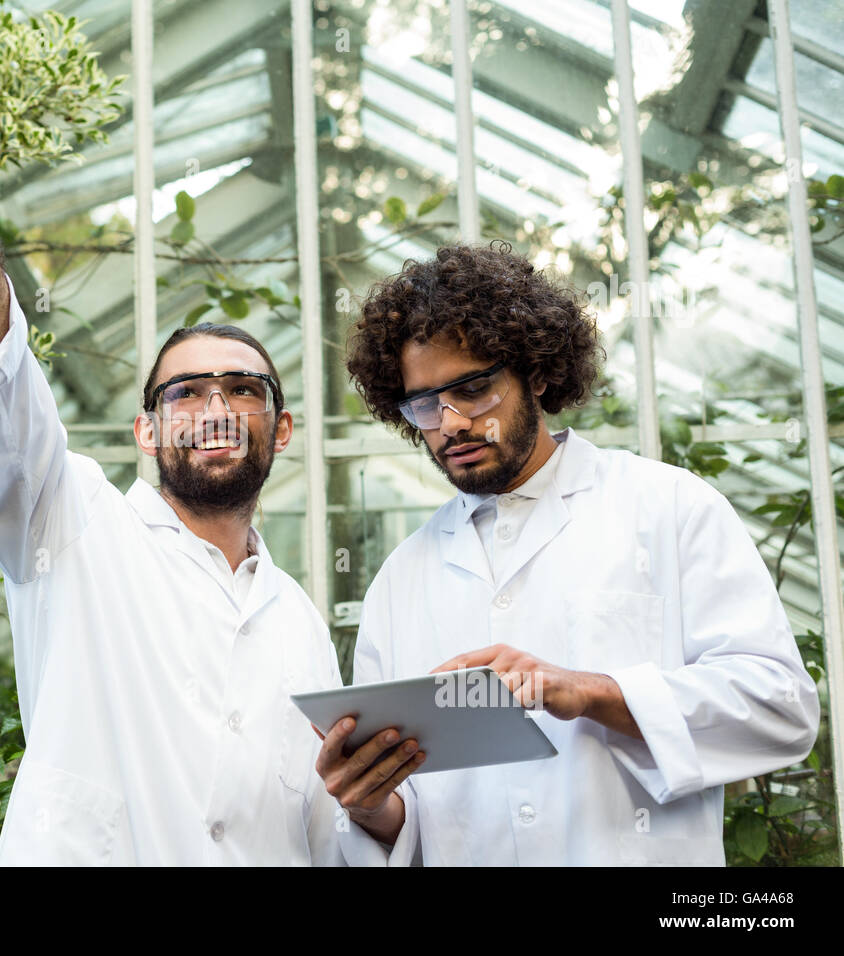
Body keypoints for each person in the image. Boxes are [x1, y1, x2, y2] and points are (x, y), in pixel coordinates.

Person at [0, 18, 410, 865]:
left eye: (243, 389)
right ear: (146, 430)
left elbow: (326, 845)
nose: (214, 404)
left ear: (280, 429)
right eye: (186, 391)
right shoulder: (69, 523)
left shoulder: (303, 630)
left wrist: (383, 816)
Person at [319, 242, 820, 865]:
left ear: (536, 372)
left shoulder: (668, 507)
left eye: (473, 389)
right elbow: (413, 818)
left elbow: (781, 709)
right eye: (424, 403)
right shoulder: (402, 578)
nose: (450, 423)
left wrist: (592, 692)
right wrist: (369, 803)